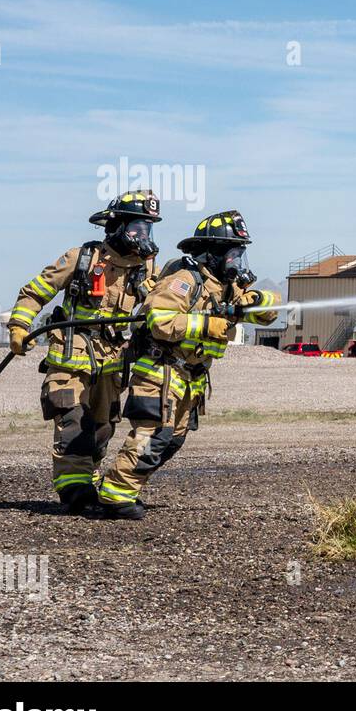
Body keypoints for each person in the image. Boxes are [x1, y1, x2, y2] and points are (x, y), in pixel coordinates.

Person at [96, 210, 279, 519]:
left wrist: (258, 299)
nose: (236, 261)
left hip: (189, 376)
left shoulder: (223, 284)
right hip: (160, 371)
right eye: (233, 253)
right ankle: (116, 495)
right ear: (214, 252)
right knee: (153, 434)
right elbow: (159, 320)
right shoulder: (184, 279)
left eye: (240, 253)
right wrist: (206, 327)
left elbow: (271, 309)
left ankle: (119, 487)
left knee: (172, 440)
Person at [7, 191, 161, 513]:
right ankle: (75, 490)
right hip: (70, 355)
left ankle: (89, 481)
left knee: (102, 426)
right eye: (137, 227)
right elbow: (35, 292)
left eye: (148, 229)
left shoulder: (147, 270)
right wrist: (19, 326)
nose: (143, 236)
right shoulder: (82, 259)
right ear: (116, 225)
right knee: (73, 420)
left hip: (113, 359)